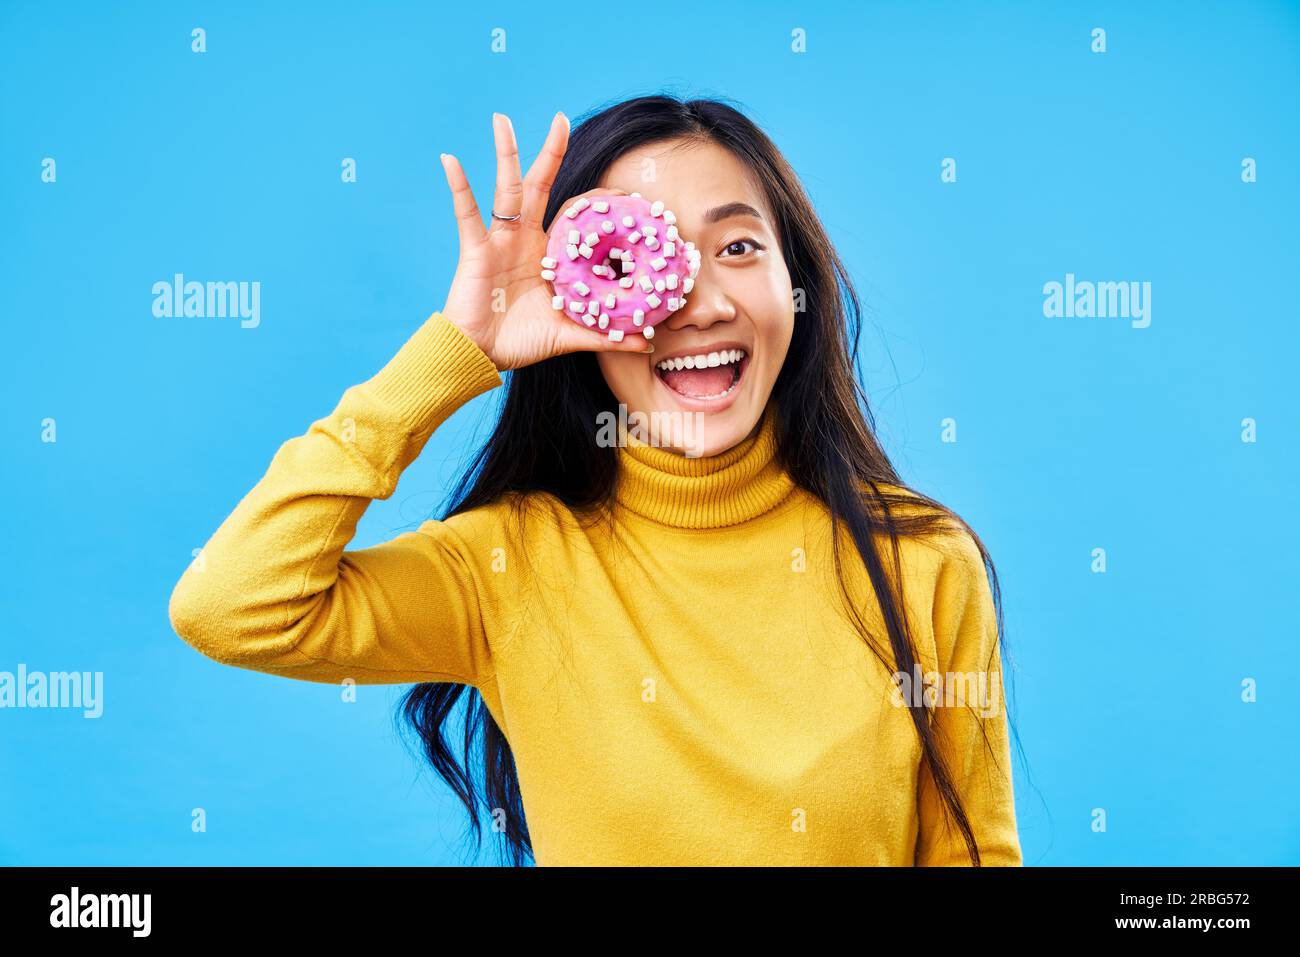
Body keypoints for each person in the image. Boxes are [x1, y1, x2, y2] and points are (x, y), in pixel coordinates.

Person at [168, 94, 1023, 867]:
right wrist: (456, 350)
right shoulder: (510, 565)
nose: (699, 300)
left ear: (793, 286)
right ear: (578, 303)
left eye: (735, 246)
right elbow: (232, 603)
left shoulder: (923, 562)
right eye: (640, 261)